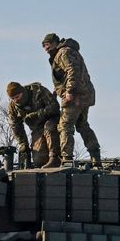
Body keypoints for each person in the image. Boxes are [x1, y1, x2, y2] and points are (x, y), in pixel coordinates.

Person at [41, 33, 100, 166]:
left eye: (48, 44)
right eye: (44, 46)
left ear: (55, 42)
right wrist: (60, 89)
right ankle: (96, 157)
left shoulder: (63, 53)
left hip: (75, 96)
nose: (46, 48)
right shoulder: (67, 51)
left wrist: (69, 91)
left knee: (65, 126)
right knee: (82, 125)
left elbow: (72, 70)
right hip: (84, 94)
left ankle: (66, 159)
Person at [6, 81, 61, 168]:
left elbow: (55, 106)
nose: (16, 100)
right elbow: (16, 126)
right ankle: (48, 165)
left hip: (53, 120)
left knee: (49, 128)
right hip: (37, 128)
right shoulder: (13, 107)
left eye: (17, 97)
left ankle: (55, 158)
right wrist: (23, 144)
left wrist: (38, 114)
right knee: (38, 160)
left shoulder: (38, 91)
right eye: (13, 98)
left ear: (22, 92)